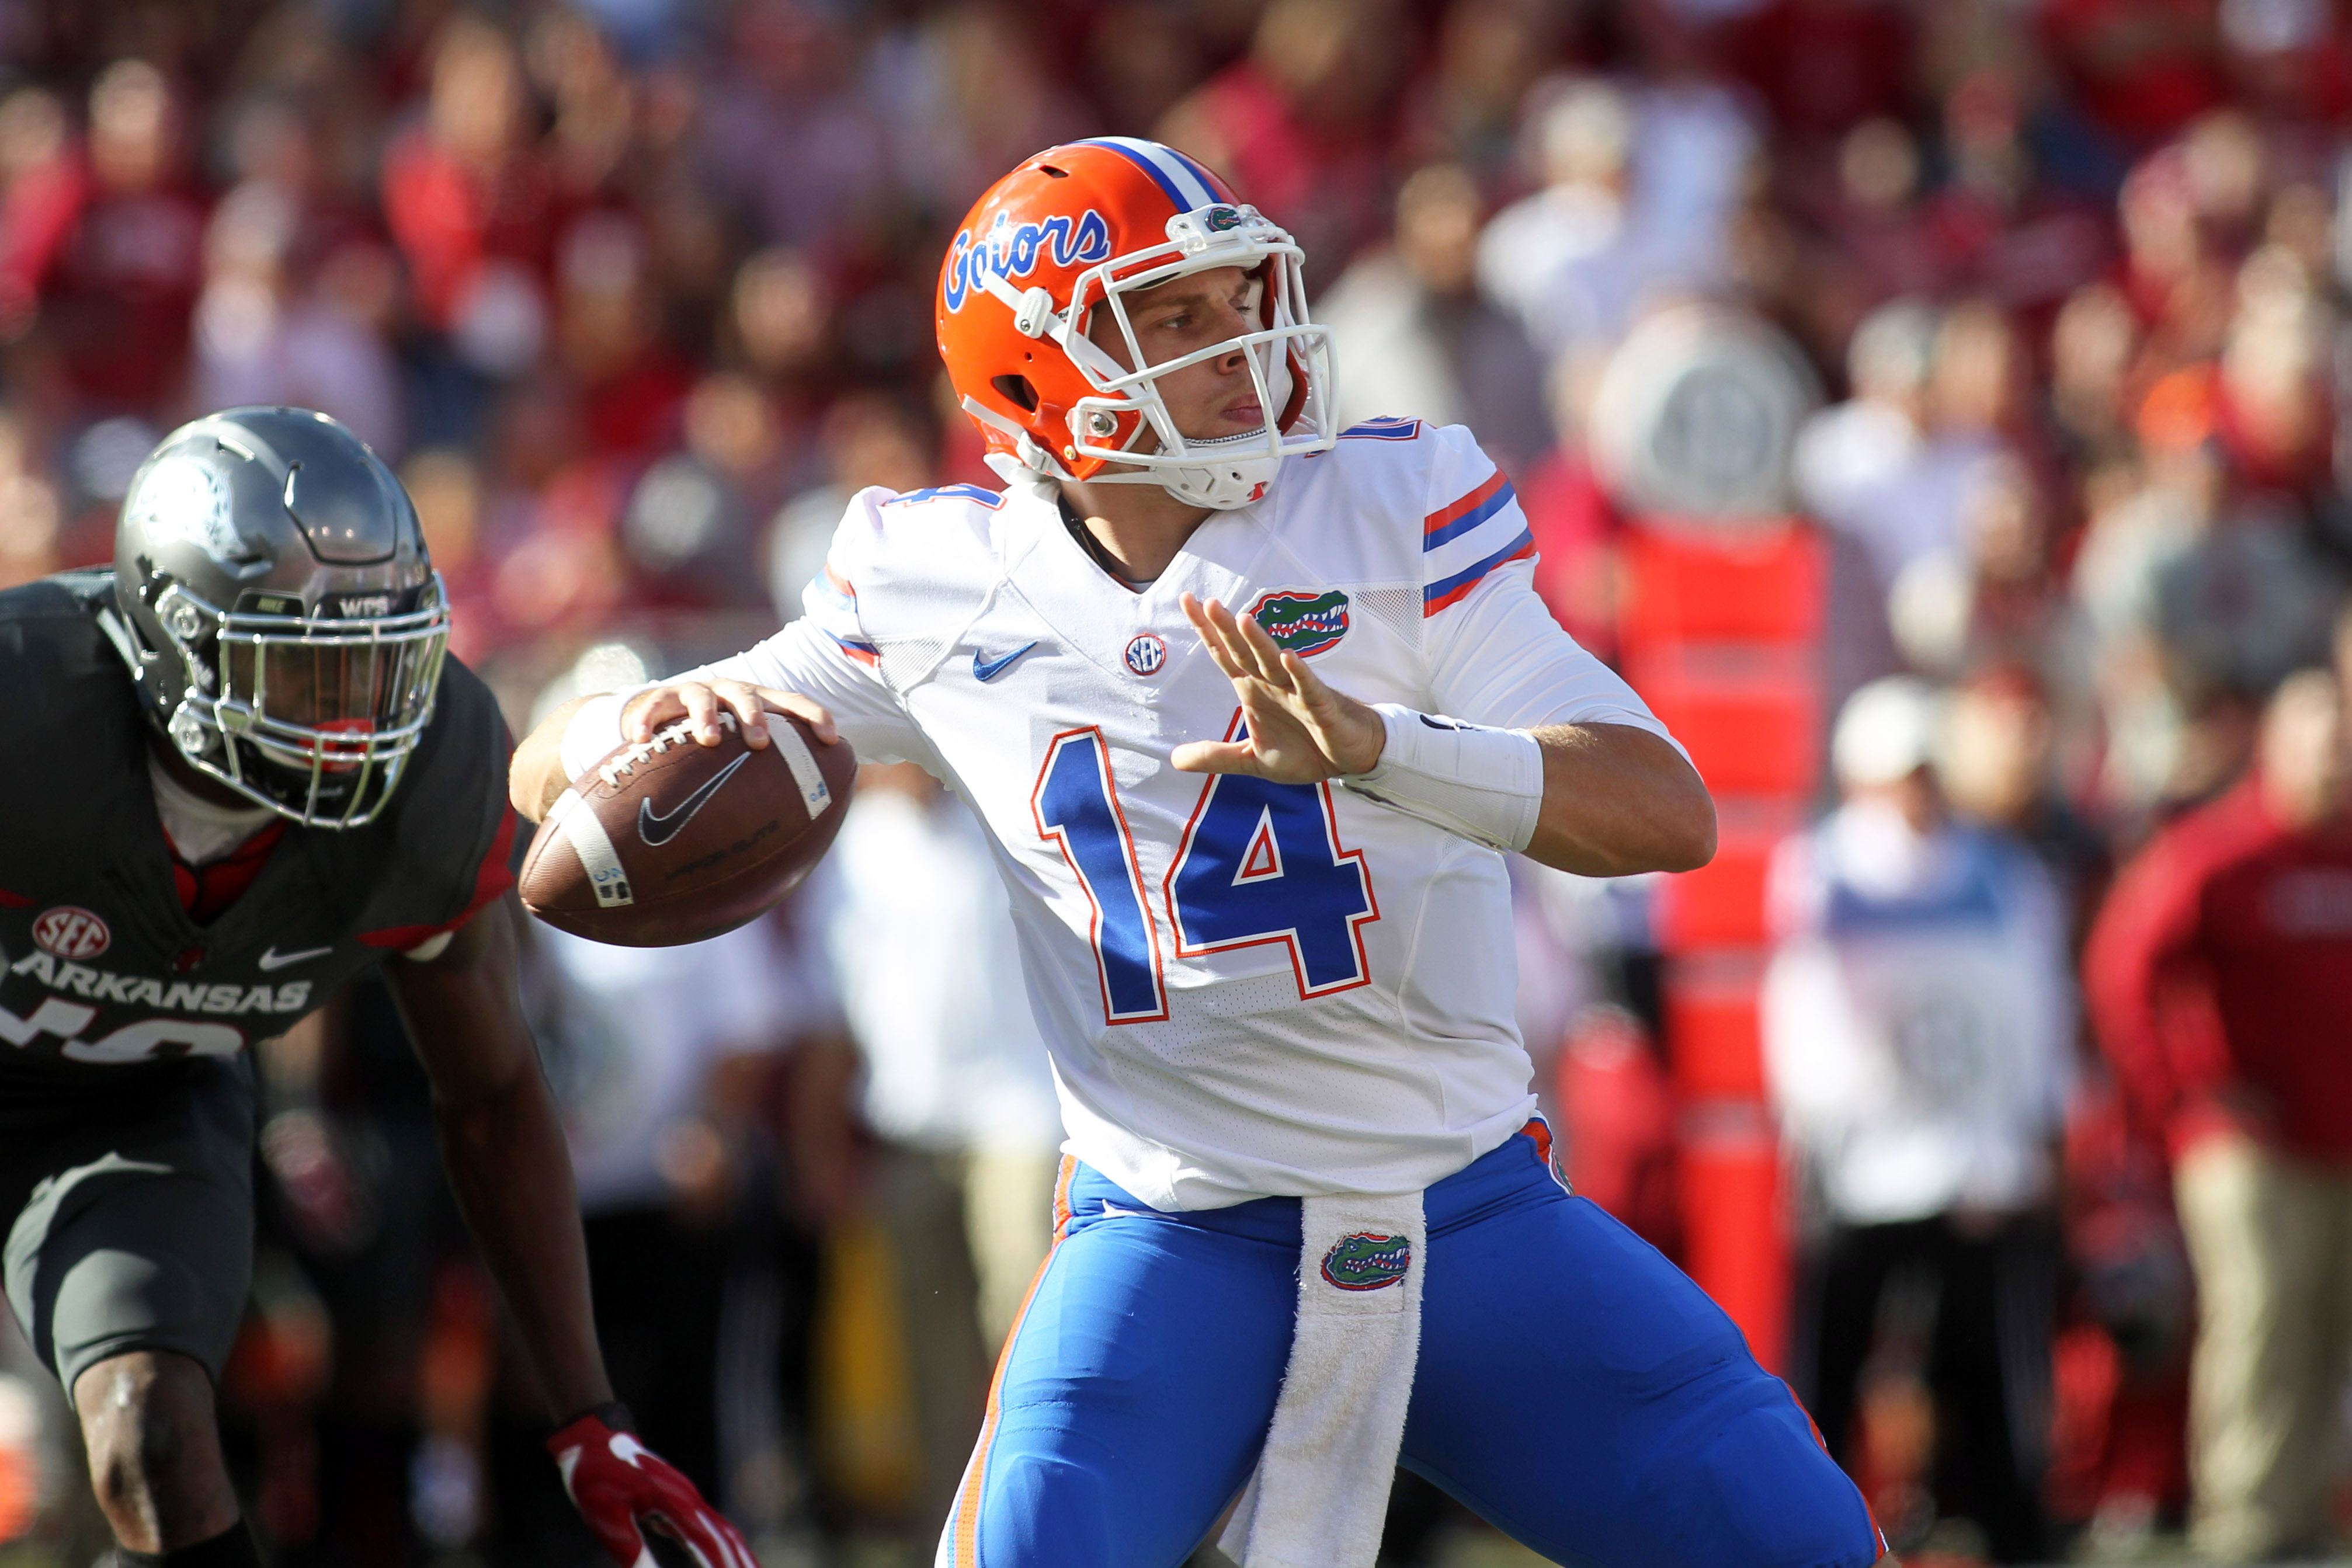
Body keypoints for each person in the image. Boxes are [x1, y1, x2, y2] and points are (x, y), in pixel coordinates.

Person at [515, 140, 1887, 1567]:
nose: (1239, 343)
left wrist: (1382, 747)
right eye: (1174, 317)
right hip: (1173, 1229)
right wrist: (628, 715)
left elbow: (1664, 807)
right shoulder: (933, 581)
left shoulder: (1386, 508)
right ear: (1041, 374)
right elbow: (545, 775)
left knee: (1802, 1538)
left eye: (1238, 299)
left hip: (1473, 1205)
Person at [0, 408, 748, 1568]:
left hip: (129, 1101)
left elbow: (494, 1087)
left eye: (375, 653)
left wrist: (588, 1413)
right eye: (300, 659)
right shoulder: (25, 700)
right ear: (169, 637)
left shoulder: (432, 772)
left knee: (151, 1426)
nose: (353, 708)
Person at [1763, 677, 2076, 1562]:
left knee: (1988, 1363)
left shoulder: (2004, 872)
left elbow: (2036, 1010)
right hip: (1861, 1163)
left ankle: (2011, 1528)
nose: (1917, 791)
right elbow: (1801, 1018)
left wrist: (2031, 1130)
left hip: (1976, 1163)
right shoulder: (1819, 870)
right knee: (1833, 1357)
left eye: (1927, 770)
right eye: (1900, 772)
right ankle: (1811, 1524)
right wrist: (1814, 1134)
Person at [2083, 667, 2352, 1563]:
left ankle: (2307, 1504)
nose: (2336, 762)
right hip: (2246, 1142)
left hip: (2336, 1132)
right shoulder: (2217, 850)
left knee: (2327, 1318)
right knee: (2262, 1311)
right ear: (2275, 747)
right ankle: (2243, 1514)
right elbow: (2124, 969)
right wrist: (2180, 1090)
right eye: (2322, 742)